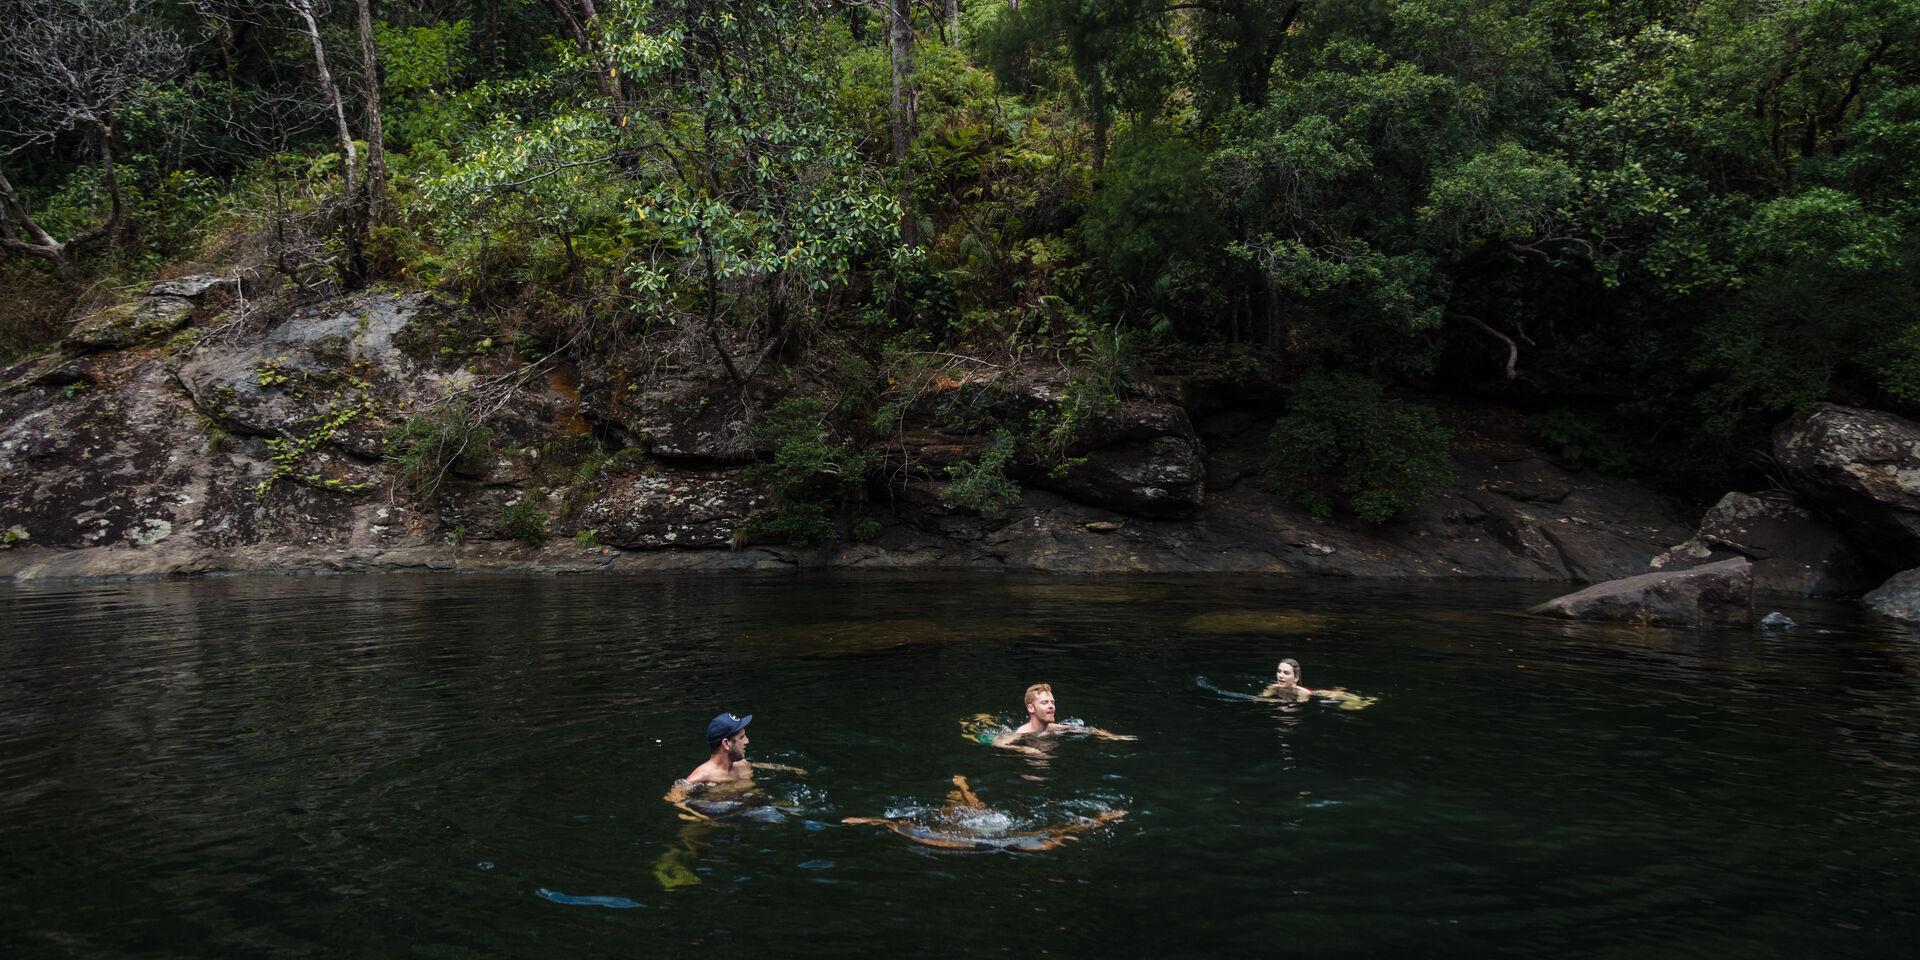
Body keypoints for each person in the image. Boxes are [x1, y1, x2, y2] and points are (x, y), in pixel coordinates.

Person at [842, 775, 1127, 852]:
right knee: (975, 811)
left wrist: (874, 821)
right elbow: (912, 831)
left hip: (985, 837)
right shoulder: (1019, 842)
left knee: (976, 811)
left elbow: (911, 830)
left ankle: (961, 786)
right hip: (989, 838)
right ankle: (961, 786)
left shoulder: (962, 831)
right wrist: (873, 821)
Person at [662, 711, 805, 820]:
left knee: (796, 812)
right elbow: (672, 798)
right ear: (726, 744)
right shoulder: (702, 776)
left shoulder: (742, 764)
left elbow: (755, 765)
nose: (747, 741)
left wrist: (789, 769)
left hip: (754, 805)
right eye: (742, 737)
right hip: (721, 813)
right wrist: (698, 817)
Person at [991, 682, 1136, 751]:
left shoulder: (1055, 728)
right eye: (1044, 702)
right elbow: (998, 743)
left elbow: (1090, 730)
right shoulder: (1022, 732)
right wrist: (1026, 750)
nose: (1051, 706)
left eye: (1052, 702)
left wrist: (1113, 737)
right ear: (1031, 708)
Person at [1260, 658, 1351, 703]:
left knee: (1339, 696)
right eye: (1279, 671)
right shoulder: (1273, 687)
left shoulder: (1303, 693)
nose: (1280, 676)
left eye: (1286, 673)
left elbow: (1300, 705)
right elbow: (1261, 698)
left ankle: (1339, 690)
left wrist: (1276, 701)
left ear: (1296, 678)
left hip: (1317, 693)